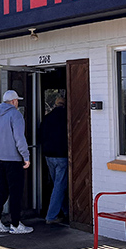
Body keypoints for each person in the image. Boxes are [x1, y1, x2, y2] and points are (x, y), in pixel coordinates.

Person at [0, 89, 33, 234]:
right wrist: (26, 157)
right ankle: (15, 225)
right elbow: (19, 139)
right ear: (14, 101)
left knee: (2, 192)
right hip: (13, 160)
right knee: (15, 193)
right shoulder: (16, 115)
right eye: (17, 101)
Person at [40, 96, 69, 224]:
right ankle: (51, 216)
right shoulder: (66, 117)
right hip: (62, 156)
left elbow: (40, 135)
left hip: (48, 156)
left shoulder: (47, 118)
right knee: (59, 185)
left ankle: (67, 211)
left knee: (58, 185)